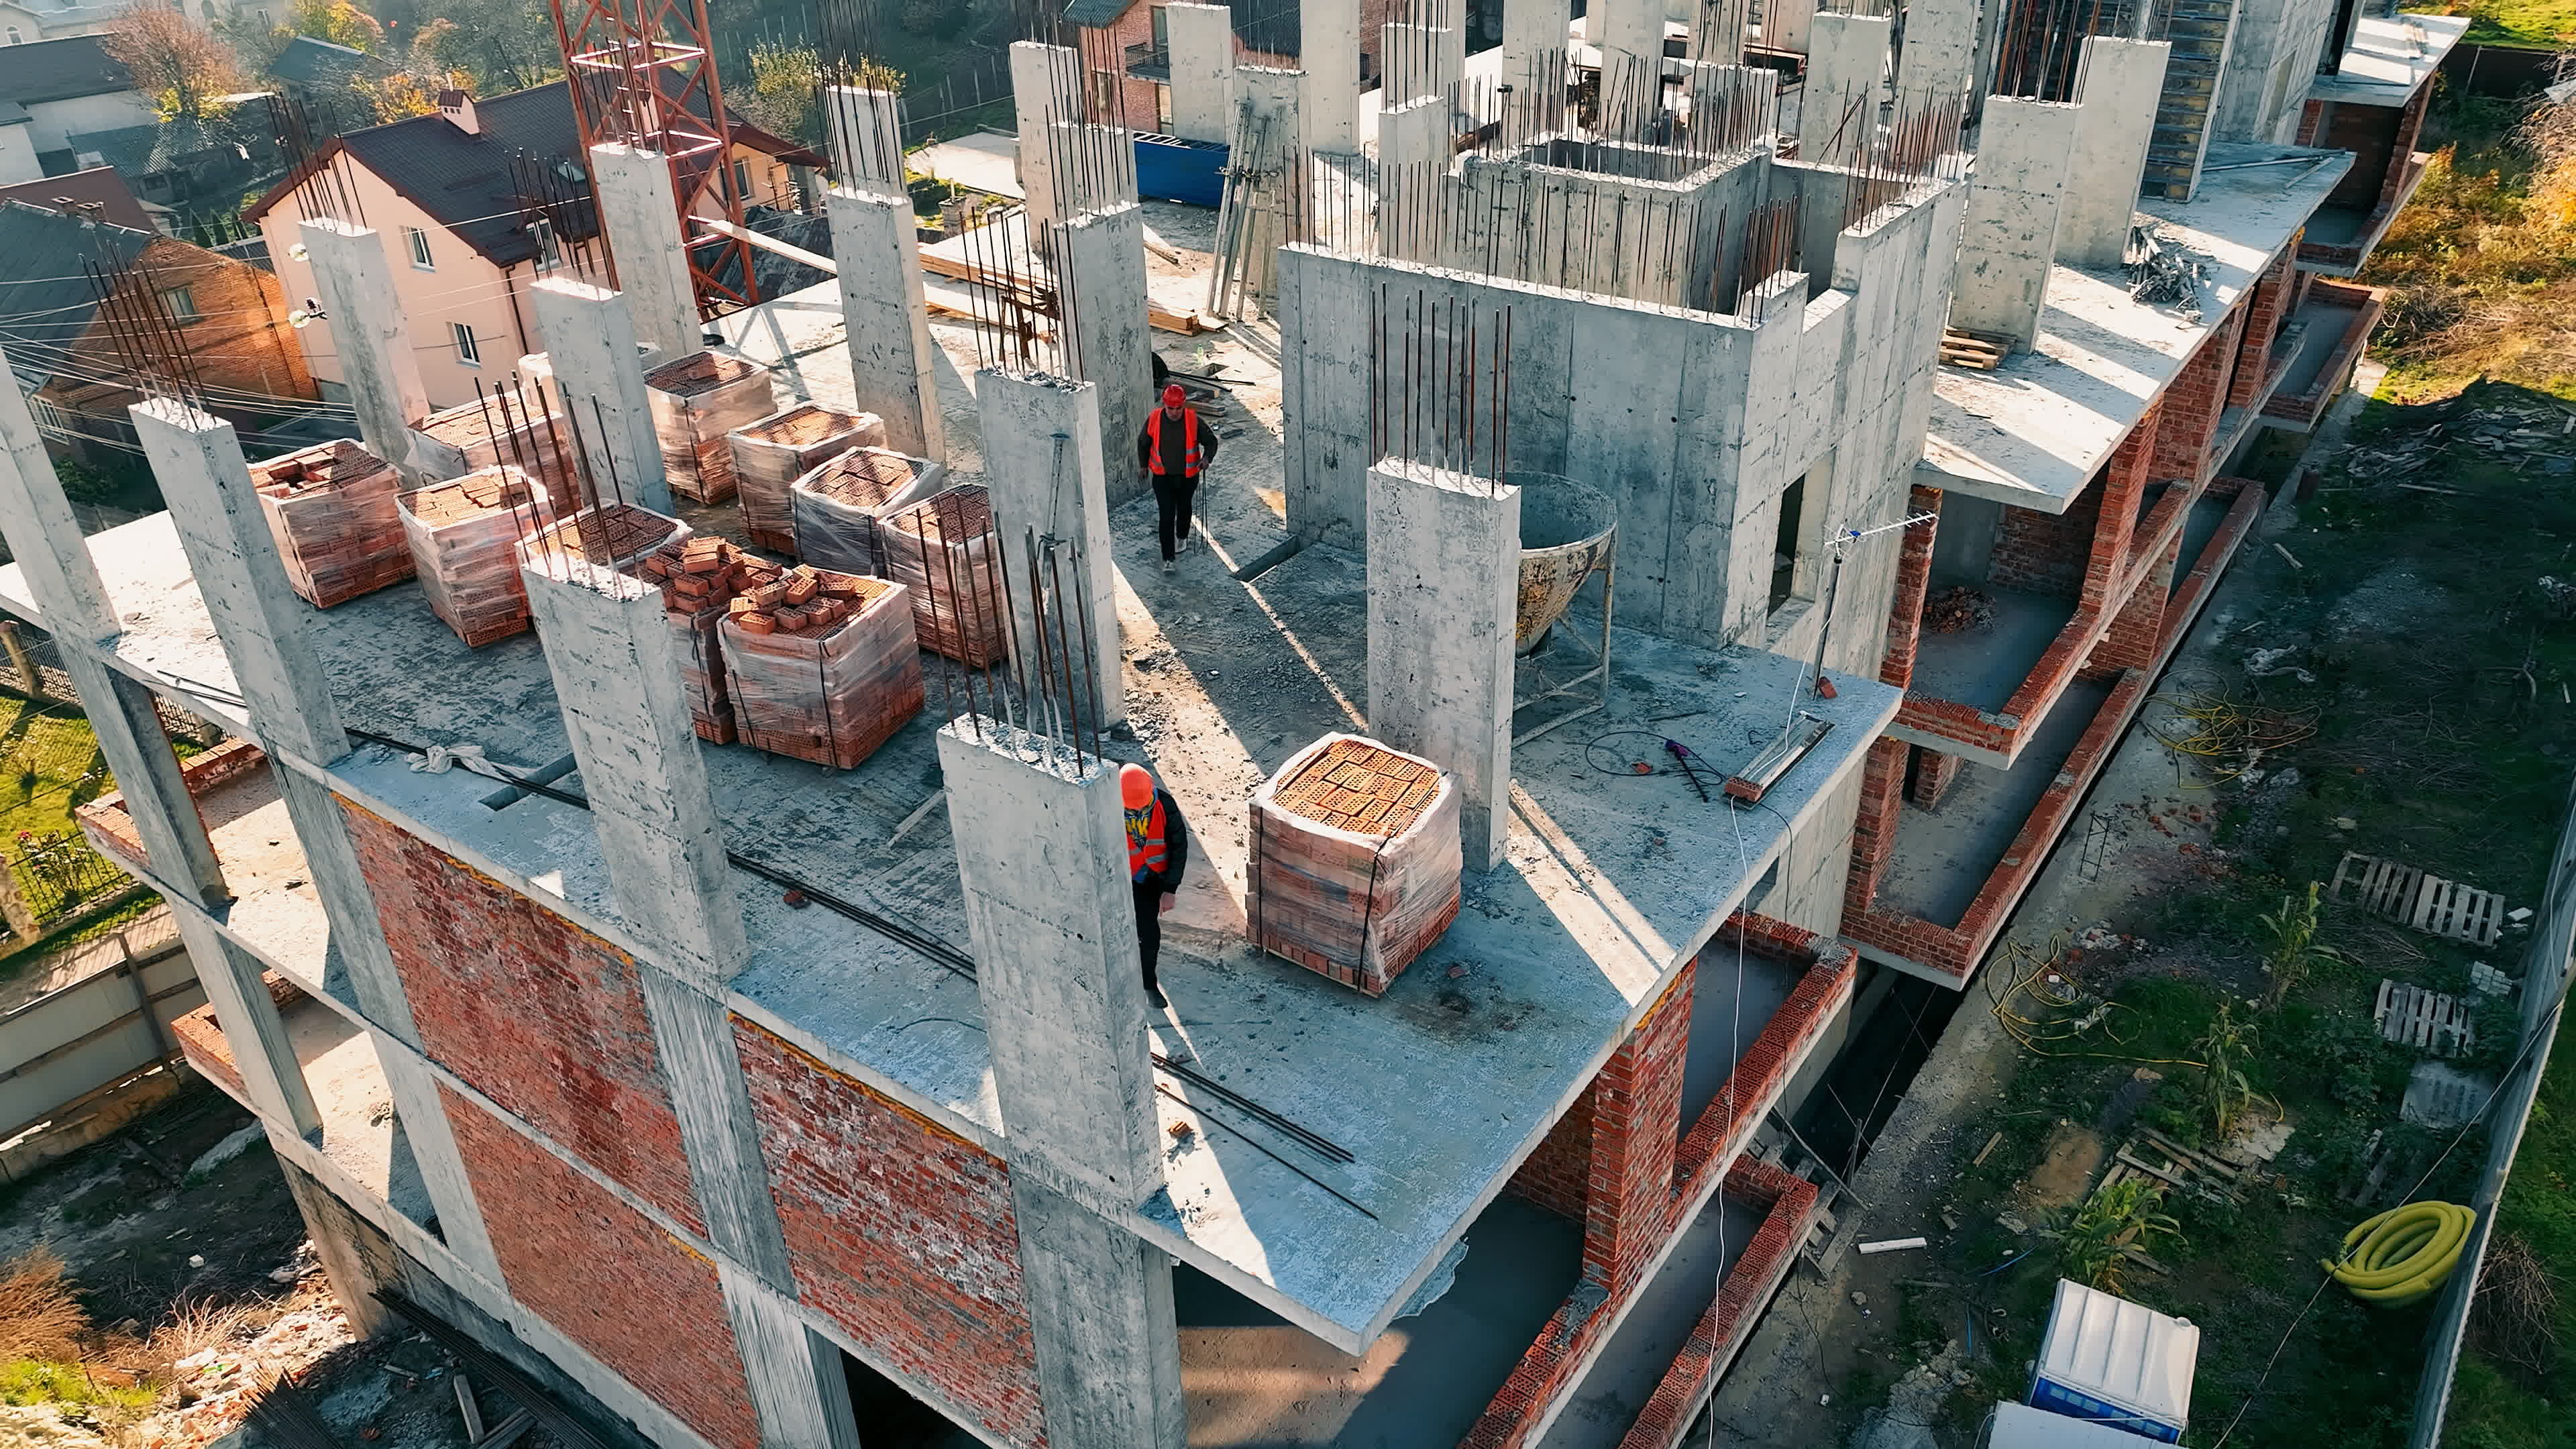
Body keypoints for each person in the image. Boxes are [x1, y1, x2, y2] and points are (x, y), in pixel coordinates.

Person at [1122, 762, 1189, 1010]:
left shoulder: (1165, 805)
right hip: (1122, 879)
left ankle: (1148, 984)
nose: (1139, 812)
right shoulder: (1108, 806)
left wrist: (1170, 889)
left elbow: (1179, 848)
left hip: (1152, 880)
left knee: (1148, 936)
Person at [1136, 382, 1220, 574]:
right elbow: (1143, 442)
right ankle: (1168, 558)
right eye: (1170, 408)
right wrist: (1143, 465)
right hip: (1162, 477)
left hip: (1188, 477)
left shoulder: (1193, 420)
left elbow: (1211, 442)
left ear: (1184, 405)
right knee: (1166, 515)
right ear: (1164, 405)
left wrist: (1207, 458)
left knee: (1184, 508)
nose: (1174, 412)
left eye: (1178, 408)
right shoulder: (1155, 419)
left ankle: (1182, 536)